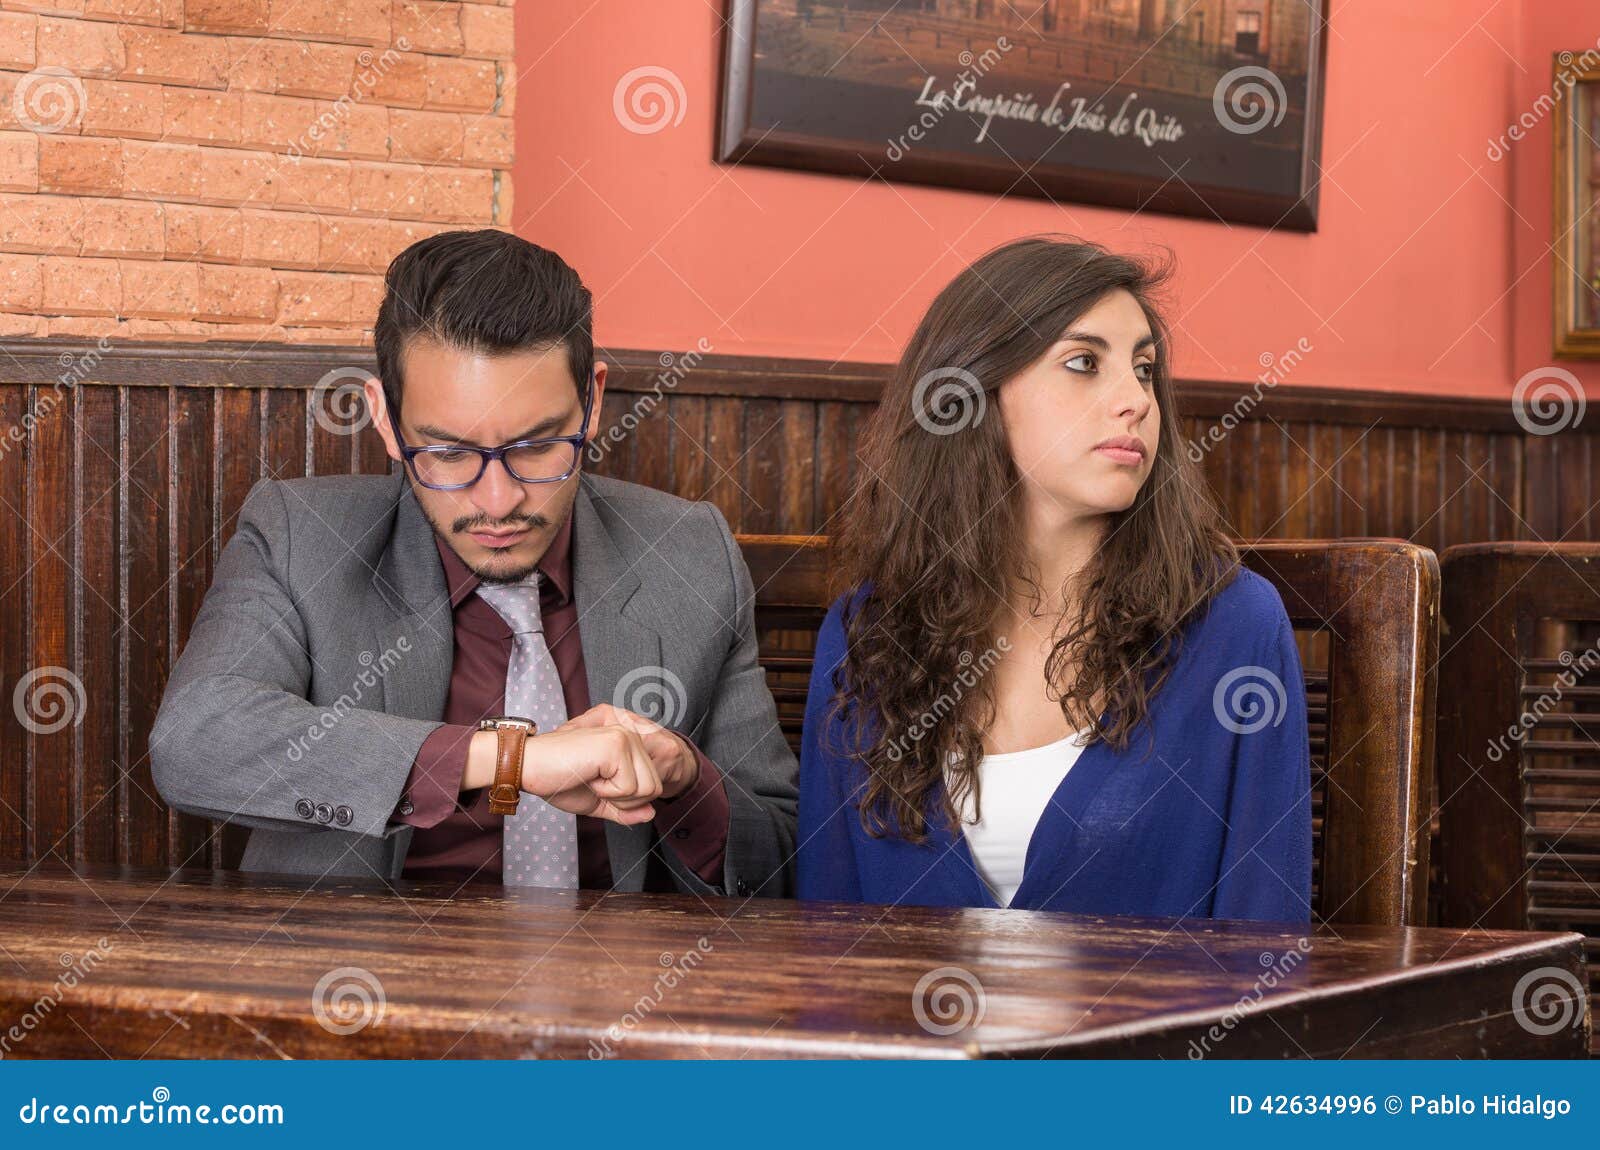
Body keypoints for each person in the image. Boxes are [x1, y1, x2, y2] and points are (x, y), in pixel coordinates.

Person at [153, 229, 796, 897]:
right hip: (353, 985)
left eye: (539, 446)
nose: (500, 501)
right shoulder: (301, 535)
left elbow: (780, 851)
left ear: (595, 400)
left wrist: (686, 779)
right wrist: (512, 760)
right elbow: (197, 741)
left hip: (616, 987)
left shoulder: (691, 552)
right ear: (385, 420)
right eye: (450, 453)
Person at [797, 237, 1312, 922]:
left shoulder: (1236, 627)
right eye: (1083, 363)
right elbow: (824, 935)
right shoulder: (867, 634)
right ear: (973, 389)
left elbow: (1265, 928)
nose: (1136, 400)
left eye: (1145, 370)